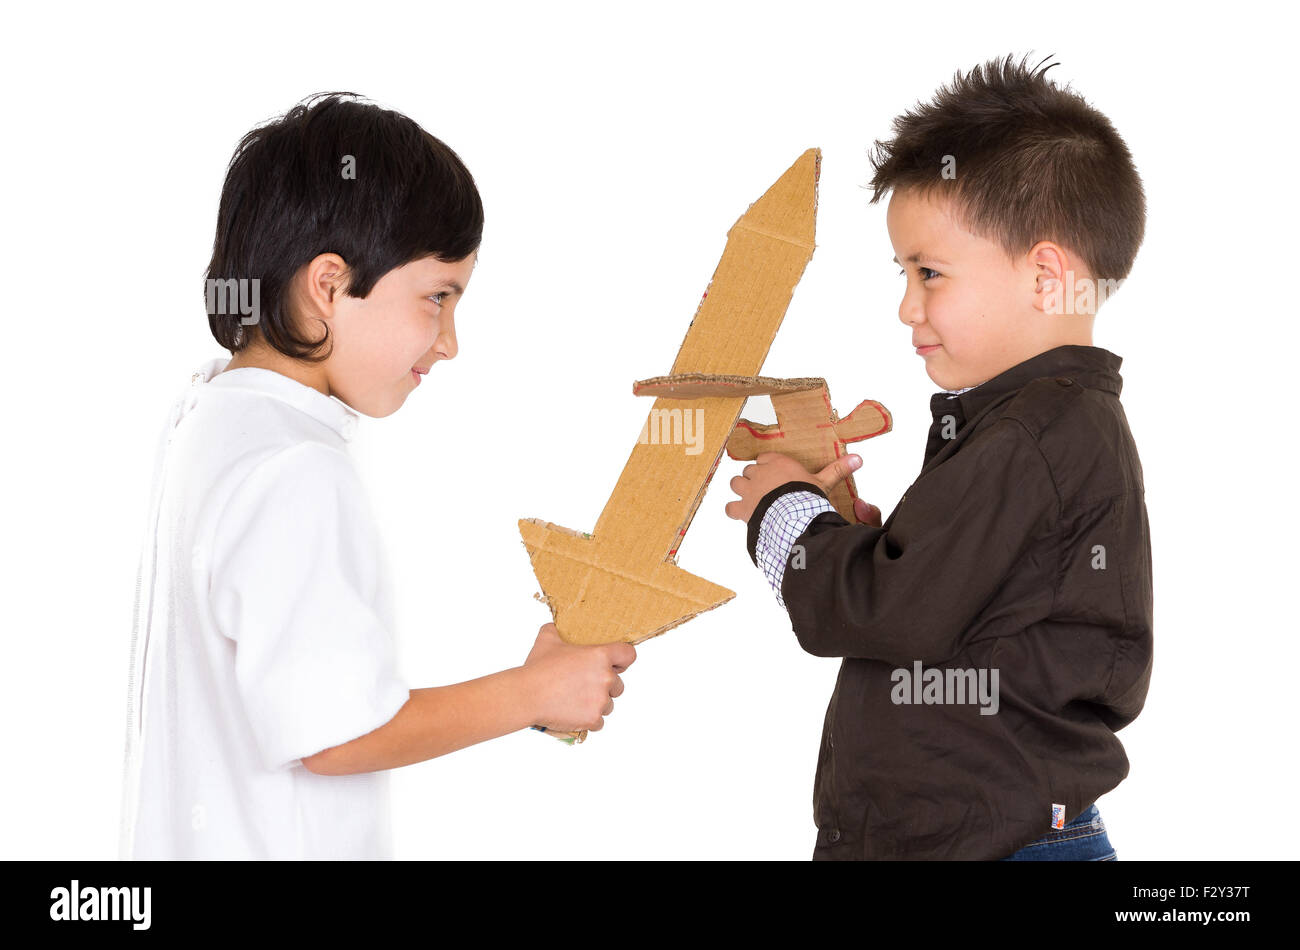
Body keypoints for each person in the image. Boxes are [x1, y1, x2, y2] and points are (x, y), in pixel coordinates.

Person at [119, 92, 635, 860]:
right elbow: (333, 734)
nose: (450, 342)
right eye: (437, 298)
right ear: (328, 285)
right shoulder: (298, 470)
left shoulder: (208, 420)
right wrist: (535, 693)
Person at [725, 54, 1151, 860]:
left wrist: (789, 516)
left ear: (1045, 275)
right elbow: (947, 602)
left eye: (930, 273)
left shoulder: (1032, 435)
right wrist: (864, 540)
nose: (906, 306)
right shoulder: (1038, 426)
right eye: (904, 273)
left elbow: (892, 611)